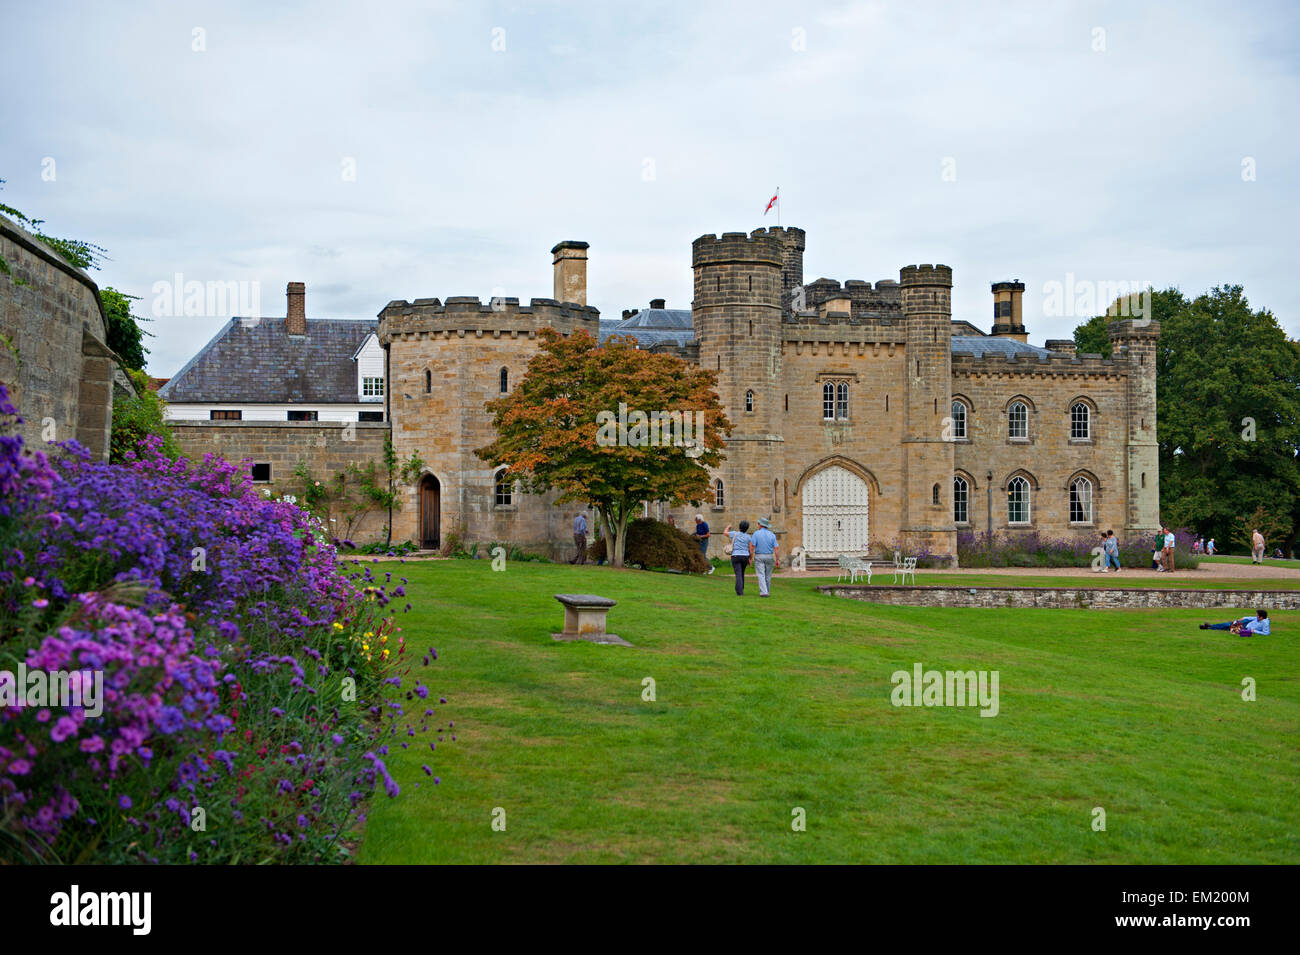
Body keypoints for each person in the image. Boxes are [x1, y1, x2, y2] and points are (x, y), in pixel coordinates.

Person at [723, 521, 754, 596]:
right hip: (745, 556)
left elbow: (725, 533)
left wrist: (728, 527)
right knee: (741, 573)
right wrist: (750, 559)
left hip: (736, 556)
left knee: (738, 574)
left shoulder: (734, 533)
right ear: (747, 529)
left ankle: (739, 592)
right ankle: (741, 588)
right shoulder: (748, 537)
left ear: (739, 527)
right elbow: (751, 550)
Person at [752, 517, 779, 597]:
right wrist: (777, 559)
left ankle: (764, 592)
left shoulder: (756, 534)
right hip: (769, 556)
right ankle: (767, 591)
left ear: (760, 525)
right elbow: (776, 548)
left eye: (758, 523)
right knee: (768, 575)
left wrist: (750, 557)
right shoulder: (772, 535)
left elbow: (752, 546)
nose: (758, 525)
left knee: (761, 574)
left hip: (759, 556)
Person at [1200, 610, 1270, 636]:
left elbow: (1266, 633)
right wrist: (1242, 618)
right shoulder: (1258, 618)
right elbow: (1249, 618)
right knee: (1228, 625)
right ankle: (1210, 627)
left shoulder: (1265, 623)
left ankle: (1209, 627)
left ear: (1261, 617)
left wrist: (1254, 631)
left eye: (1257, 615)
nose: (1256, 616)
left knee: (1227, 626)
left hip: (1245, 628)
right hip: (1244, 624)